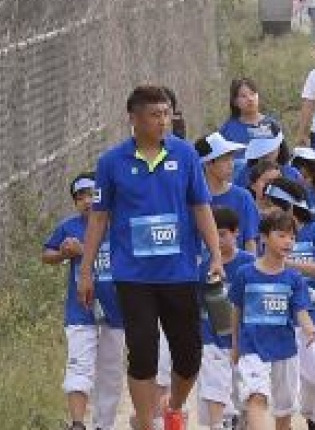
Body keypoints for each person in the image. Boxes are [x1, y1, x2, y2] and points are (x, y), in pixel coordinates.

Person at [80, 86, 223, 430]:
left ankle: (172, 407)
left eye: (167, 114)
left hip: (180, 273)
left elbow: (201, 207)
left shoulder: (186, 156)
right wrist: (85, 271)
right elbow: (99, 219)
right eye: (155, 115)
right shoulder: (111, 162)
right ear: (134, 118)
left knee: (189, 354)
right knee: (142, 352)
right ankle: (145, 423)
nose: (163, 121)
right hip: (134, 275)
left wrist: (216, 255)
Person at [43, 173, 126, 430]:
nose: (87, 201)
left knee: (110, 373)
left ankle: (104, 424)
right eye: (80, 197)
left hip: (116, 311)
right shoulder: (70, 227)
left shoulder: (120, 226)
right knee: (79, 365)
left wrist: (84, 251)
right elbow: (46, 253)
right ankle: (77, 423)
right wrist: (62, 254)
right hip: (81, 310)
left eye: (91, 194)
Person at [229, 210, 315, 430]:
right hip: (252, 348)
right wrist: (235, 344)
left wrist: (309, 328)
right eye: (281, 235)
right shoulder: (244, 274)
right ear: (264, 237)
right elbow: (236, 310)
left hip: (284, 350)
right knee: (256, 396)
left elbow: (301, 310)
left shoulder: (294, 278)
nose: (288, 241)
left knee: (284, 411)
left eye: (292, 237)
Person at [265, 178, 315, 430]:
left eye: (272, 205)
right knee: (283, 383)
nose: (267, 210)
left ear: (289, 207)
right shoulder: (267, 235)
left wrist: (290, 266)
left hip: (313, 316)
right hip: (280, 319)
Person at [197, 208, 258, 430]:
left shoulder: (250, 264)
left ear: (236, 233)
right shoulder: (202, 267)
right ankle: (217, 425)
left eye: (223, 234)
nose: (218, 240)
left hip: (243, 341)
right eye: (212, 234)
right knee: (214, 386)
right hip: (211, 338)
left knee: (243, 394)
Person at [198, 132, 262, 252]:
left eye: (232, 159)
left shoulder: (243, 197)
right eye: (225, 160)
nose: (231, 165)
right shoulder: (195, 198)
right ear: (208, 163)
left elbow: (250, 241)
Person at [219, 78, 283, 153]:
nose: (250, 99)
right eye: (243, 96)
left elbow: (283, 158)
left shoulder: (271, 125)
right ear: (235, 102)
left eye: (252, 94)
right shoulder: (227, 129)